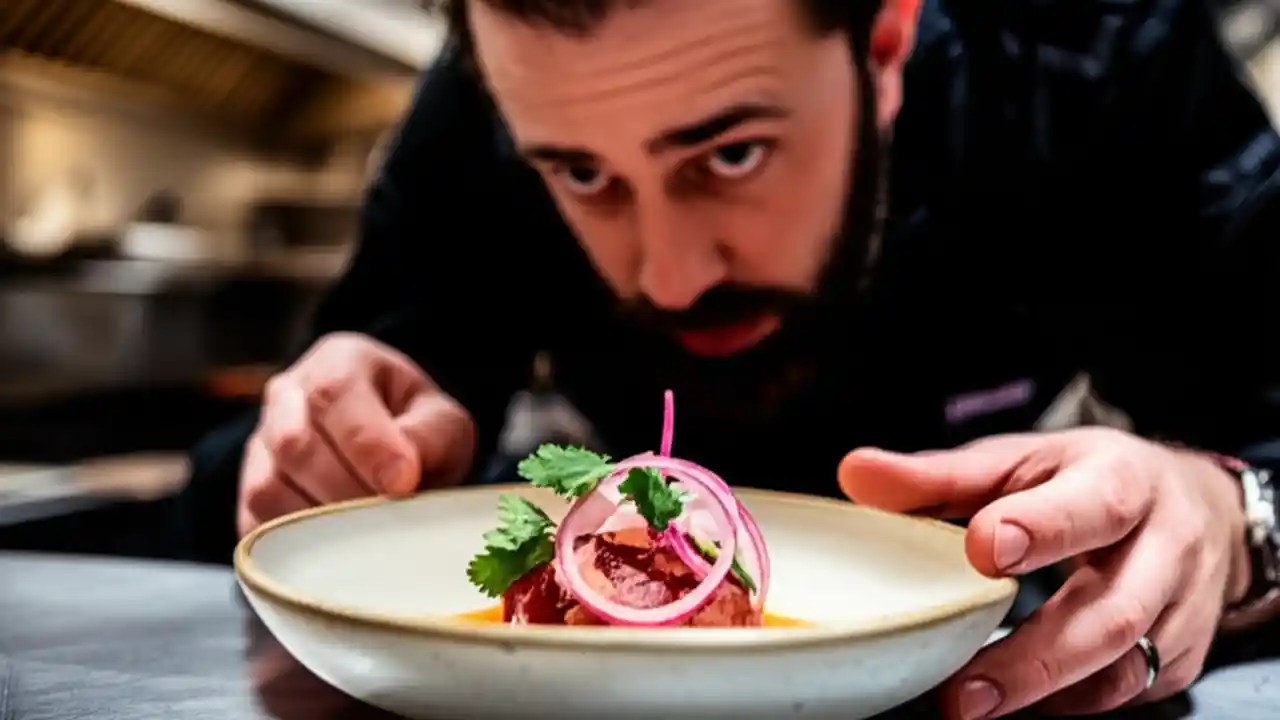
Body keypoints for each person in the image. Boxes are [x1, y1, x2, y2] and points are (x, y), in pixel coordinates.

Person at [179, 0, 1280, 717]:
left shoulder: (1099, 60)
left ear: (883, 44)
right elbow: (363, 389)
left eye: (730, 151)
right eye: (578, 175)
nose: (667, 276)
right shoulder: (490, 96)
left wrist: (1238, 522)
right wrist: (340, 434)